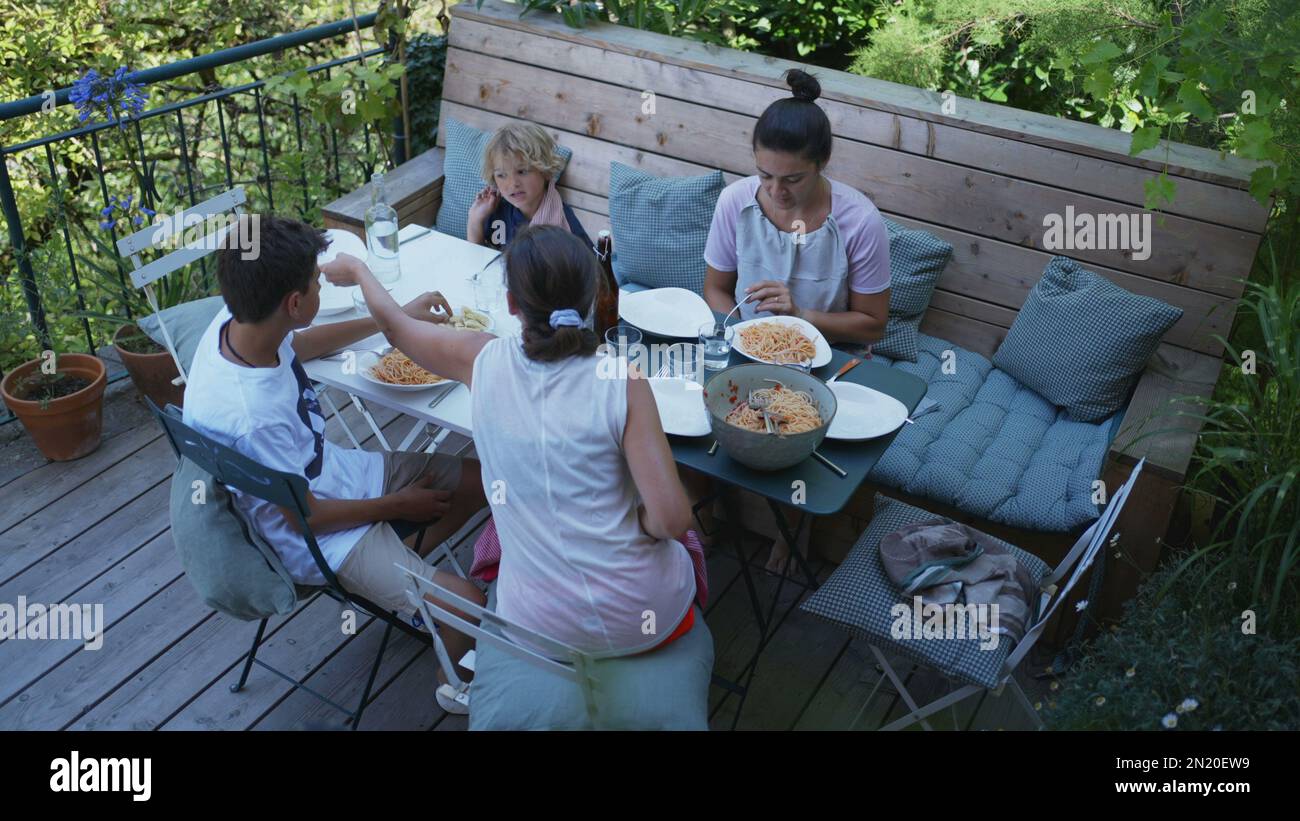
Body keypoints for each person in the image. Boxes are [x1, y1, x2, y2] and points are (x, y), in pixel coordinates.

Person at [327, 225, 713, 728]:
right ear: (594, 296)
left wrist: (358, 270)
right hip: (646, 618)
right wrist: (634, 522)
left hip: (539, 625)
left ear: (511, 304)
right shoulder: (621, 379)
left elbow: (398, 329)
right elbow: (672, 517)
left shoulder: (480, 360)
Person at [182, 214, 487, 713]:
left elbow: (297, 345)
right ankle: (452, 678)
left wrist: (392, 318)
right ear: (295, 303)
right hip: (320, 540)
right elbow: (308, 518)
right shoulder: (251, 417)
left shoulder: (238, 322)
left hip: (338, 477)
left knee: (480, 479)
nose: (320, 287)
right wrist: (398, 503)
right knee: (472, 608)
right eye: (315, 283)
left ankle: (408, 570)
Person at [700, 68, 893, 574]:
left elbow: (873, 325)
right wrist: (742, 332)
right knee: (703, 412)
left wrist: (800, 317)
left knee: (796, 425)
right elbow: (717, 289)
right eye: (765, 175)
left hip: (832, 358)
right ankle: (715, 511)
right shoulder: (735, 202)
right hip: (744, 343)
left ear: (822, 164)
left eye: (792, 179)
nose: (776, 191)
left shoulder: (859, 221)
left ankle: (794, 525)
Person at [466, 122, 593, 251]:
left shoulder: (562, 221)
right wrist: (475, 219)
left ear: (545, 171)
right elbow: (476, 259)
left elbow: (588, 266)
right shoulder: (498, 212)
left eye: (522, 171)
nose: (513, 183)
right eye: (501, 175)